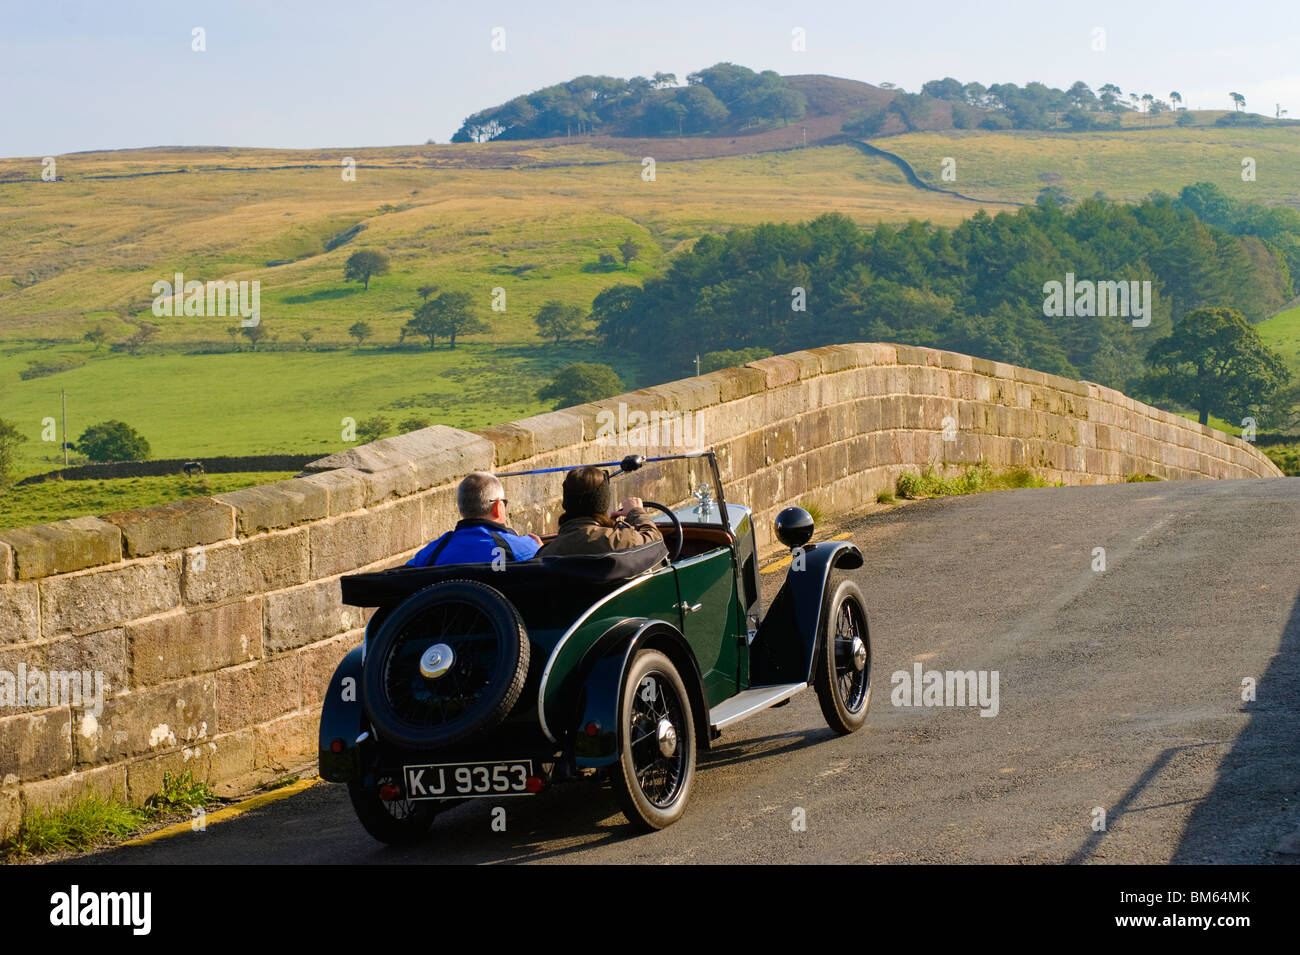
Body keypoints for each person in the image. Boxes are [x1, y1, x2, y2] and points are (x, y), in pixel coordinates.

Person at [407, 471, 542, 567]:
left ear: (461, 508)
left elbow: (402, 573)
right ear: (498, 506)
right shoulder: (525, 547)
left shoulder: (435, 551)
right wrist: (541, 549)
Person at [536, 466, 663, 557]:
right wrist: (636, 512)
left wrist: (542, 550)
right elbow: (655, 543)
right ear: (602, 502)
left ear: (567, 503)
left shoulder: (548, 554)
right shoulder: (620, 540)